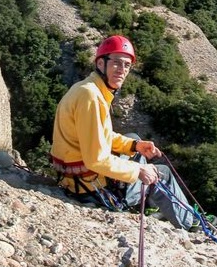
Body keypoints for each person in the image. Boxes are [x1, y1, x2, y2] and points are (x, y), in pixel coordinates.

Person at [50, 35, 196, 230]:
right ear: (100, 64)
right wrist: (139, 171)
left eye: (127, 65)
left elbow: (100, 135)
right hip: (89, 188)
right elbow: (96, 160)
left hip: (73, 175)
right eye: (116, 63)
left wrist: (134, 146)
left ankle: (155, 203)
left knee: (133, 139)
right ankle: (191, 225)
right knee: (162, 174)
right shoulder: (92, 98)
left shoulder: (87, 88)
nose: (122, 70)